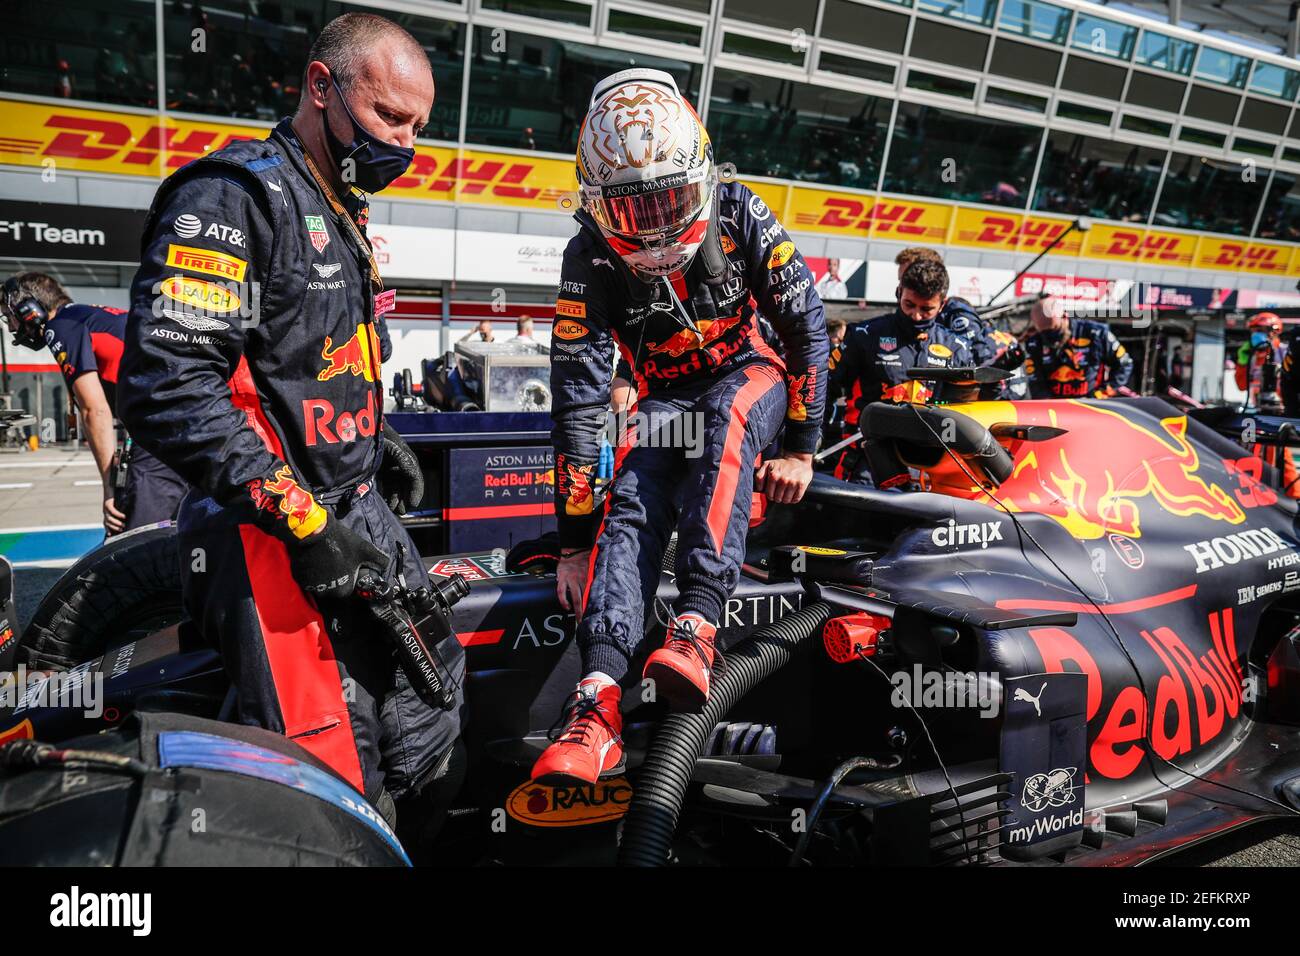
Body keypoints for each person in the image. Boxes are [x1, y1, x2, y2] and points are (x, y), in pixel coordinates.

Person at [119, 13, 464, 842]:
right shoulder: (232, 195)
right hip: (263, 530)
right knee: (334, 772)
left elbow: (304, 358)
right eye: (390, 118)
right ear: (321, 87)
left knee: (432, 690)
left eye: (418, 125)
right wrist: (300, 517)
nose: (406, 144)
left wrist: (370, 436)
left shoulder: (337, 201)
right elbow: (168, 383)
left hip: (348, 505)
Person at [532, 68, 828, 785]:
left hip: (746, 378)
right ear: (597, 203)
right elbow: (576, 399)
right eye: (636, 208)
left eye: (670, 199)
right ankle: (597, 701)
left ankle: (696, 625)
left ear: (699, 173)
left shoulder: (740, 209)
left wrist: (801, 445)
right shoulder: (589, 256)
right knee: (631, 494)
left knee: (725, 415)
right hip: (664, 399)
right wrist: (574, 544)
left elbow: (807, 328)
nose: (658, 226)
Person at [2, 273, 187, 535]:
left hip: (164, 426)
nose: (10, 327)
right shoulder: (91, 316)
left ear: (29, 310)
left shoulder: (62, 326)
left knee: (134, 541)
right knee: (184, 534)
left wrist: (109, 489)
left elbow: (94, 409)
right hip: (189, 420)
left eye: (10, 317)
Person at [831, 259, 978, 486]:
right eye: (909, 304)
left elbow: (968, 411)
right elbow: (824, 385)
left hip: (929, 467)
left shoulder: (957, 348)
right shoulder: (864, 335)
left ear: (942, 304)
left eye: (926, 309)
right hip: (866, 461)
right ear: (899, 293)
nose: (916, 315)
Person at [1022, 295, 1132, 398]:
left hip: (1092, 405)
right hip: (1056, 408)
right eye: (1044, 332)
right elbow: (1035, 381)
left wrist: (1103, 393)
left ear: (1065, 316)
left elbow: (1124, 364)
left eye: (1054, 329)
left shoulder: (1096, 333)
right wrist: (1049, 404)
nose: (1050, 337)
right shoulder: (1034, 343)